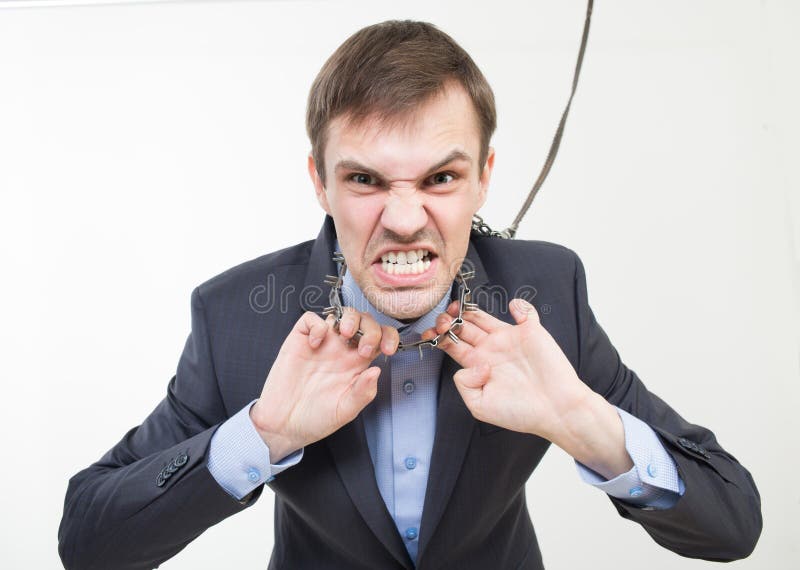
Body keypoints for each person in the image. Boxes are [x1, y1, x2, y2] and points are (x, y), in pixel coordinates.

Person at [58, 20, 762, 570]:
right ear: (320, 182)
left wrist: (584, 422)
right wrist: (262, 435)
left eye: (440, 179)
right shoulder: (237, 317)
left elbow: (733, 521)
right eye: (365, 180)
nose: (402, 218)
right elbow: (89, 541)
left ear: (484, 177)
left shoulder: (547, 296)